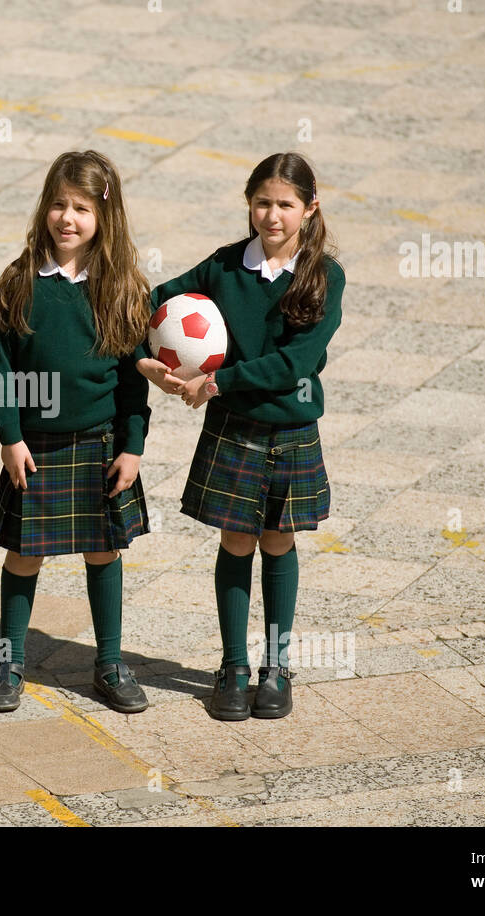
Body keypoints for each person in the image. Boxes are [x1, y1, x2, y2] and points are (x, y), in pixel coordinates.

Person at [138, 152, 345, 721]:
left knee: (278, 542)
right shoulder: (225, 266)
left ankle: (276, 667)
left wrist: (217, 381)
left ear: (309, 208)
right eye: (262, 202)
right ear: (248, 203)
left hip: (291, 428)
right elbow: (152, 300)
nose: (271, 216)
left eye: (285, 204)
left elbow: (294, 364)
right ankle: (232, 667)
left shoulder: (325, 276)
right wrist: (147, 359)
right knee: (235, 543)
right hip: (233, 430)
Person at [0, 150, 153, 715]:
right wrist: (10, 436)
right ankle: (9, 662)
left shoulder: (124, 288)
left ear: (105, 216)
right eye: (58, 204)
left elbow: (134, 383)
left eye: (81, 207)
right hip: (33, 448)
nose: (67, 218)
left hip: (100, 446)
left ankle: (109, 662)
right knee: (23, 556)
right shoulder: (19, 281)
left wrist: (132, 446)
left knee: (104, 552)